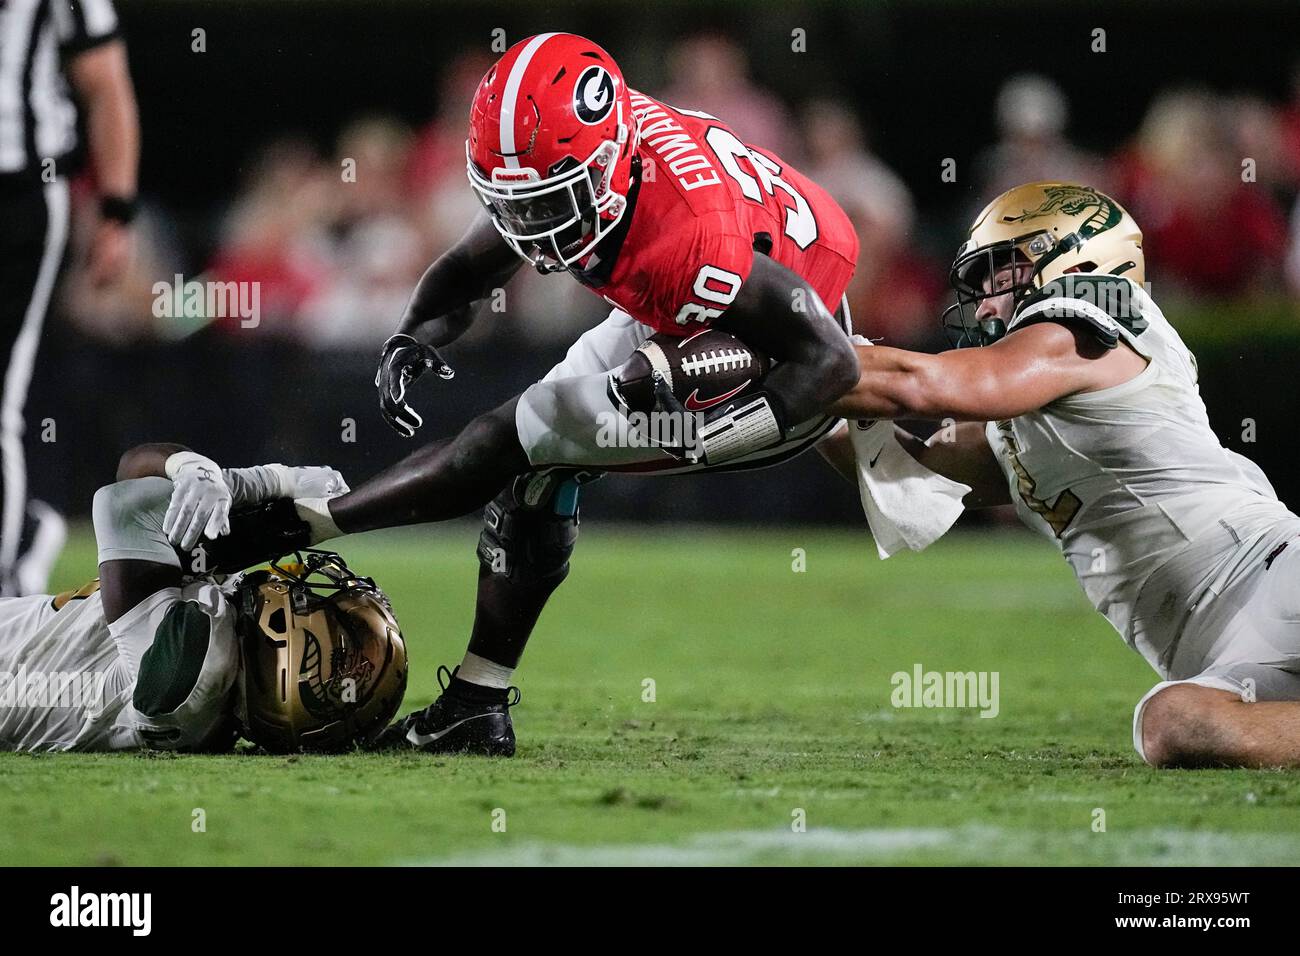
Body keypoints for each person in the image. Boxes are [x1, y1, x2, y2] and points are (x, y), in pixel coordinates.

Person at [229, 32, 860, 756]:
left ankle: (305, 522)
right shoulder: (583, 165)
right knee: (533, 475)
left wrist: (728, 435)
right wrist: (411, 333)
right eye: (518, 200)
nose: (532, 225)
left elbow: (832, 363)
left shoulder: (690, 239)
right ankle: (476, 706)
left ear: (612, 161)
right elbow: (477, 262)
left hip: (773, 354)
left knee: (519, 439)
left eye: (550, 200)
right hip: (683, 310)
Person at [819, 181, 1300, 769]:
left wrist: (805, 353)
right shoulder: (1020, 416)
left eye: (999, 275)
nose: (986, 305)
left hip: (1274, 581)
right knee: (1171, 726)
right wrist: (801, 413)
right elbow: (911, 481)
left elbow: (928, 383)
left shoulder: (1101, 316)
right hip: (1231, 652)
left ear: (1068, 255)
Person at [0, 443, 407, 752]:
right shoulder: (218, 700)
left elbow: (122, 504)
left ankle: (22, 565)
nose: (300, 583)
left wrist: (271, 482)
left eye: (319, 607)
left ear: (292, 649)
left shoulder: (192, 663)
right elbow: (137, 471)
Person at [0, 0, 140, 595]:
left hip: (18, 191)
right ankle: (27, 531)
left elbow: (104, 79)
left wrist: (116, 208)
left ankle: (6, 584)